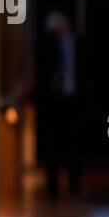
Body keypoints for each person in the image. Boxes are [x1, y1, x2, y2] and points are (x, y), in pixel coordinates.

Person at [36, 10, 86, 199]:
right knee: (53, 145)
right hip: (53, 102)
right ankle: (52, 186)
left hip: (73, 100)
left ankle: (74, 183)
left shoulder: (78, 44)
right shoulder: (47, 47)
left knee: (74, 143)